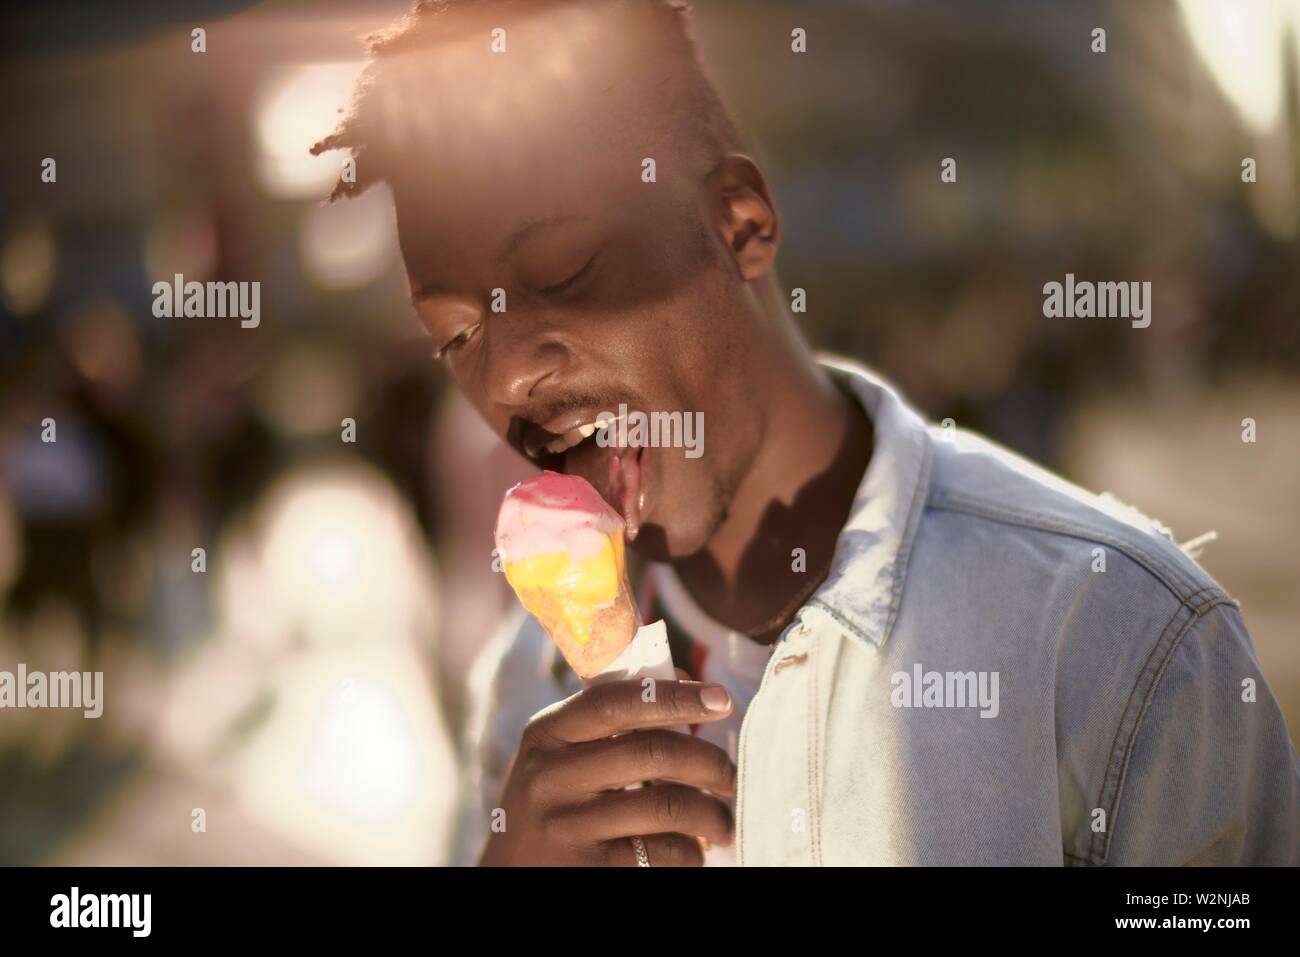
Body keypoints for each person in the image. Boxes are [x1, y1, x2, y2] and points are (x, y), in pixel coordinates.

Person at [313, 0, 1299, 865]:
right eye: (453, 335)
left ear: (739, 221)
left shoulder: (1118, 640)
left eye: (567, 272)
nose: (506, 372)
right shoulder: (522, 687)